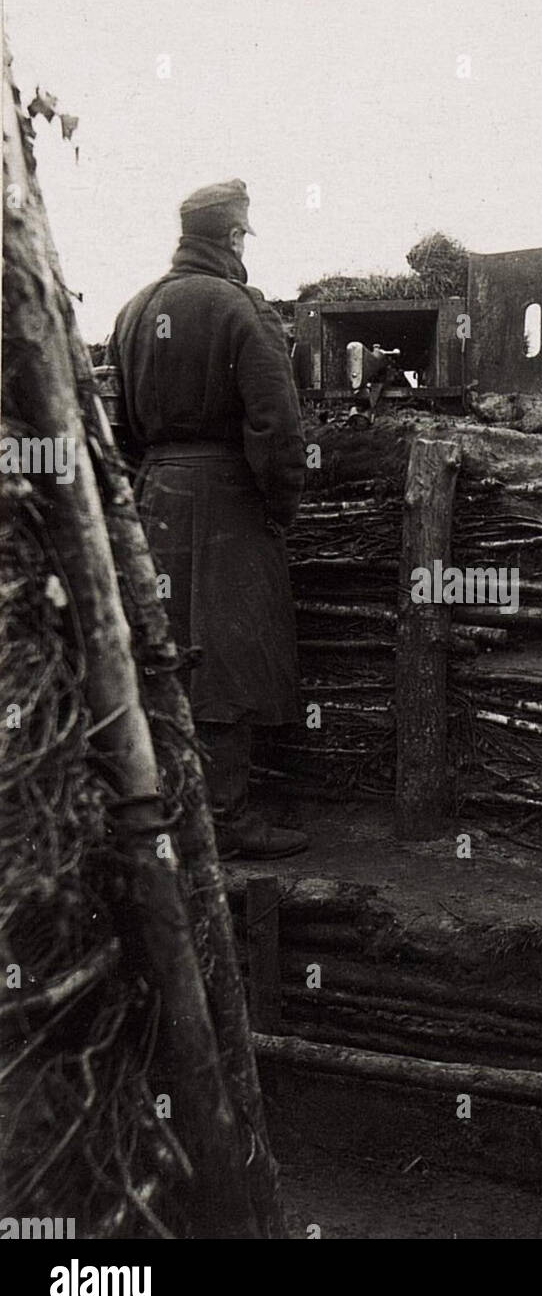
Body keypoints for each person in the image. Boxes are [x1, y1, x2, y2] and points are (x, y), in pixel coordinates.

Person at [108, 179, 309, 859]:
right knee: (227, 655)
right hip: (227, 499)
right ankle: (225, 820)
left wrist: (150, 483)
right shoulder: (239, 308)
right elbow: (276, 426)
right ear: (231, 237)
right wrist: (280, 506)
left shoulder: (133, 312)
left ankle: (159, 810)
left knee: (162, 654)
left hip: (153, 495)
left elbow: (121, 429)